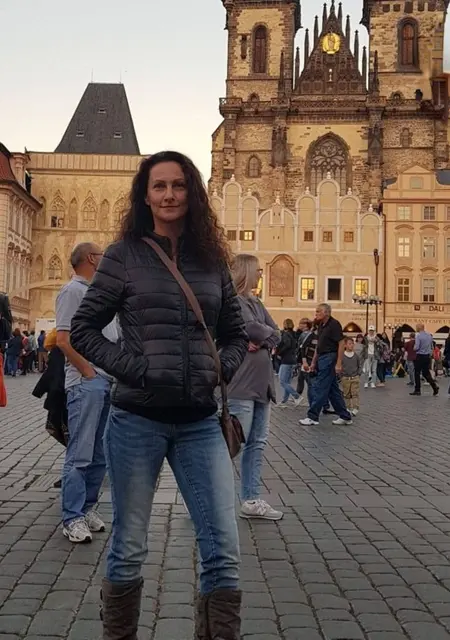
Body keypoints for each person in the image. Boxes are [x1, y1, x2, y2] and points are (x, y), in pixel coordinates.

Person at [70, 151, 248, 640]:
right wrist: (138, 370)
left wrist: (218, 370)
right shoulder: (124, 255)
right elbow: (82, 329)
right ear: (145, 196)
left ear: (193, 193)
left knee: (224, 548)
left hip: (200, 423)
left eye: (178, 185)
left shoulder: (212, 259)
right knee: (129, 547)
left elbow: (236, 334)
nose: (169, 194)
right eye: (159, 186)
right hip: (137, 419)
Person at [56, 242, 118, 544]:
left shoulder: (99, 293)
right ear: (92, 259)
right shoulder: (73, 291)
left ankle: (87, 507)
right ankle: (72, 516)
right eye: (103, 256)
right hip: (87, 382)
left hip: (107, 380)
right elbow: (63, 339)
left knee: (99, 453)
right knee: (80, 453)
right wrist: (87, 372)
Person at [227, 254, 281, 521]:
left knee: (257, 443)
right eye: (258, 270)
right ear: (246, 271)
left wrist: (263, 337)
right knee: (231, 444)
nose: (261, 274)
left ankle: (250, 498)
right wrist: (260, 336)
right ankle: (208, 497)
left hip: (263, 385)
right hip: (242, 384)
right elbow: (253, 329)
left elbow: (277, 333)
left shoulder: (256, 302)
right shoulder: (234, 301)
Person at [299, 304, 353, 427]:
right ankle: (345, 416)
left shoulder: (334, 324)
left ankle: (312, 416)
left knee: (320, 386)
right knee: (332, 390)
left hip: (330, 357)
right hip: (322, 357)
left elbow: (341, 343)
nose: (316, 313)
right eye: (316, 311)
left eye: (319, 311)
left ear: (327, 312)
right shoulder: (321, 325)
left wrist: (339, 363)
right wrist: (314, 362)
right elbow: (319, 346)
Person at [277, 318, 303, 407]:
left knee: (282, 381)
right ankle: (284, 401)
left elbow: (287, 344)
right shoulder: (294, 334)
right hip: (292, 359)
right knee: (287, 382)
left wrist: (279, 353)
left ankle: (297, 396)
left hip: (286, 360)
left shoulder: (286, 334)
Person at [410, 323, 439, 396]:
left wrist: (413, 348)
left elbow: (417, 347)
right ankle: (434, 386)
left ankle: (417, 390)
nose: (416, 328)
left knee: (417, 372)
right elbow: (432, 346)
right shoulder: (429, 335)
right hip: (427, 356)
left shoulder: (418, 336)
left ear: (419, 328)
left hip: (420, 356)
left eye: (416, 327)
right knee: (426, 373)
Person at [340, 337, 362, 416]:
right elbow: (340, 366)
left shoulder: (356, 356)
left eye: (352, 344)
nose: (351, 345)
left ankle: (356, 408)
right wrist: (341, 375)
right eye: (349, 344)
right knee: (346, 394)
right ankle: (348, 408)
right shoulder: (342, 355)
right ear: (345, 345)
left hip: (354, 377)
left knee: (355, 393)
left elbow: (359, 365)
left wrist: (358, 373)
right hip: (345, 378)